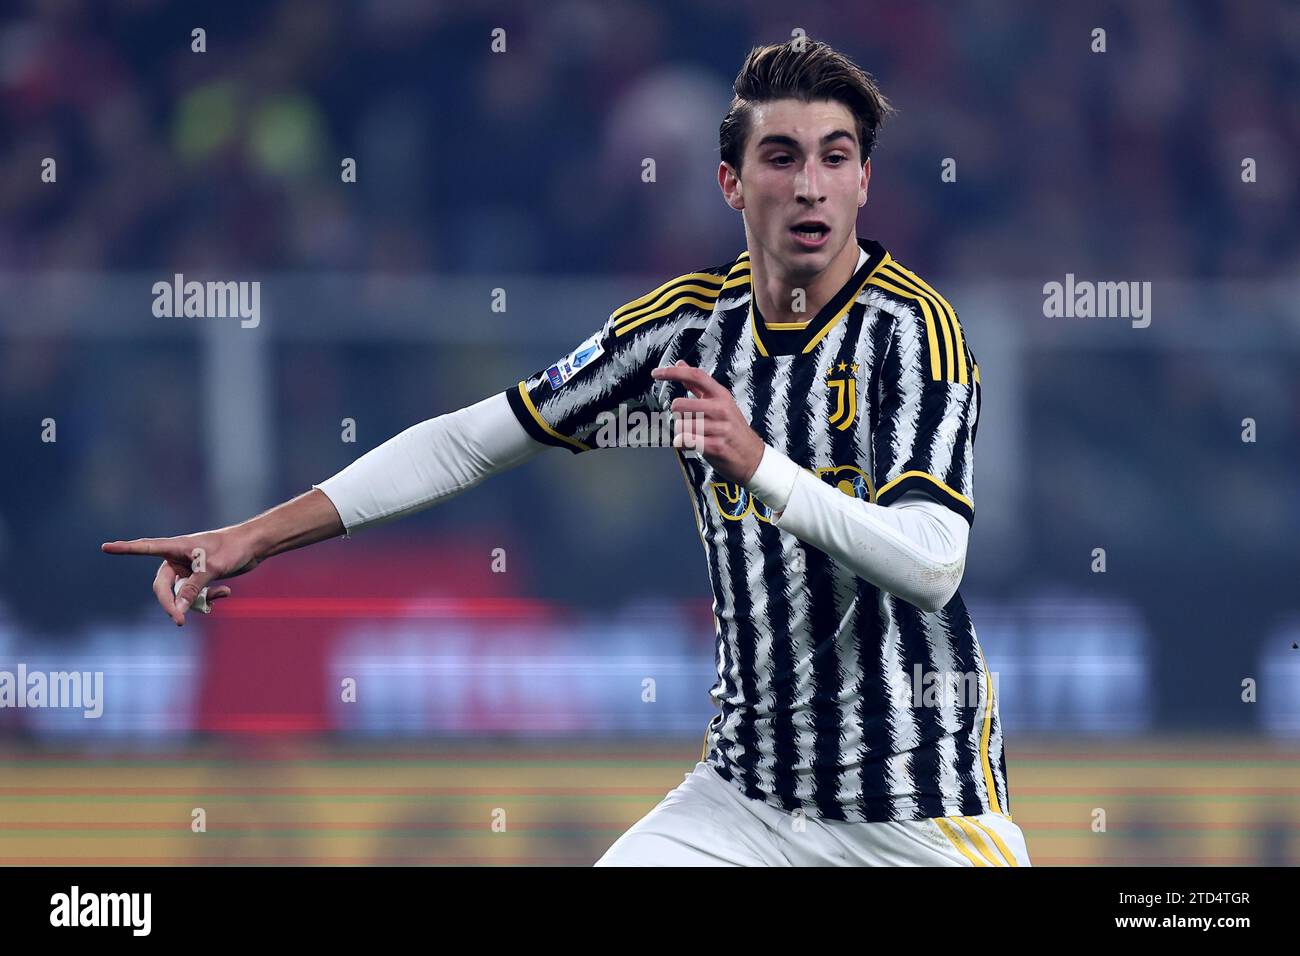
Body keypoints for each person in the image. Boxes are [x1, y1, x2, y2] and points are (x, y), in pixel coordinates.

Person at [103, 38, 1029, 867]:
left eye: (836, 159)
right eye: (780, 158)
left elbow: (935, 560)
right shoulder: (681, 326)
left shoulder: (915, 334)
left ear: (866, 181)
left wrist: (764, 468)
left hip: (919, 813)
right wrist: (255, 537)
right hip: (746, 799)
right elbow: (468, 444)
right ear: (731, 184)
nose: (810, 185)